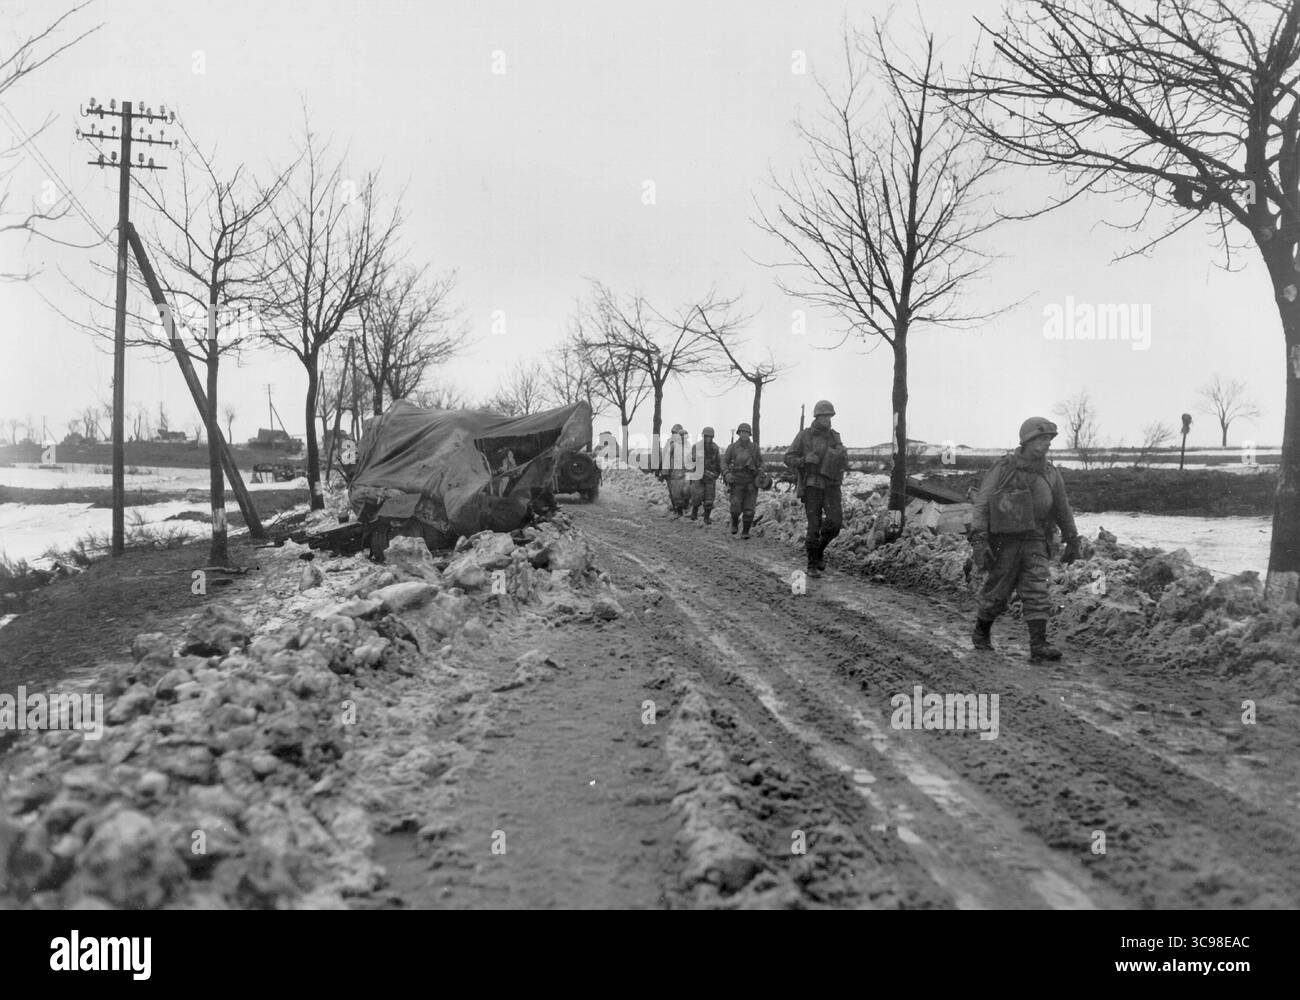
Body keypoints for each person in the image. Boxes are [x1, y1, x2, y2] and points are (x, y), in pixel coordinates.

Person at [969, 416, 1081, 662]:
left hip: (1036, 540)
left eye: (1049, 439)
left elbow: (1063, 508)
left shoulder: (1051, 474)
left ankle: (1038, 644)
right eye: (1041, 439)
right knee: (998, 590)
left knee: (1037, 589)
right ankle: (981, 632)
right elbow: (983, 503)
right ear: (1027, 440)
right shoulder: (1004, 468)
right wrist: (979, 539)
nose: (1047, 444)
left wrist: (1072, 538)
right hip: (1004, 542)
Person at [784, 400, 847, 577]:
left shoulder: (835, 436)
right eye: (824, 416)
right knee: (814, 525)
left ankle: (819, 550)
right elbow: (788, 458)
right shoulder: (805, 436)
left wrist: (842, 456)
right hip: (812, 485)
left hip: (832, 485)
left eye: (829, 416)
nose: (827, 419)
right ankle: (812, 564)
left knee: (835, 523)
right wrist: (805, 460)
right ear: (817, 417)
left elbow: (842, 460)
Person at [722, 422, 763, 538]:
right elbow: (724, 462)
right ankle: (734, 523)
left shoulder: (755, 448)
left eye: (746, 432)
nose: (744, 434)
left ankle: (746, 531)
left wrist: (761, 471)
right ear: (738, 433)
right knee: (735, 508)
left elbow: (761, 462)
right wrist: (726, 473)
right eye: (742, 432)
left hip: (751, 482)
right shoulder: (733, 448)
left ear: (749, 434)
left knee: (749, 509)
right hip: (736, 482)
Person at [688, 426, 722, 524]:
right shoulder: (696, 447)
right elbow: (693, 460)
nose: (708, 438)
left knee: (709, 498)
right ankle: (694, 513)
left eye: (710, 437)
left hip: (710, 477)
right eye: (706, 436)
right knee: (696, 497)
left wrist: (716, 473)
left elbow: (718, 462)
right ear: (703, 436)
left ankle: (706, 518)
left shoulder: (715, 448)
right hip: (698, 475)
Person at [661, 424, 689, 517]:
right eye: (673, 432)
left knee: (684, 490)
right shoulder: (670, 443)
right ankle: (676, 508)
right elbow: (665, 457)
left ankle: (684, 506)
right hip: (672, 472)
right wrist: (664, 471)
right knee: (674, 491)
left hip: (683, 472)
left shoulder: (686, 444)